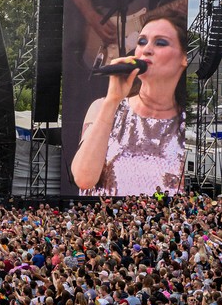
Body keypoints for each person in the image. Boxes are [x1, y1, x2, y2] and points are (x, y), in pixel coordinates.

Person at [70, 10, 188, 196]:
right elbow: (83, 179)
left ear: (184, 58)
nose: (146, 49)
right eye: (142, 41)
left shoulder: (185, 122)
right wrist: (112, 100)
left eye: (160, 43)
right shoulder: (104, 107)